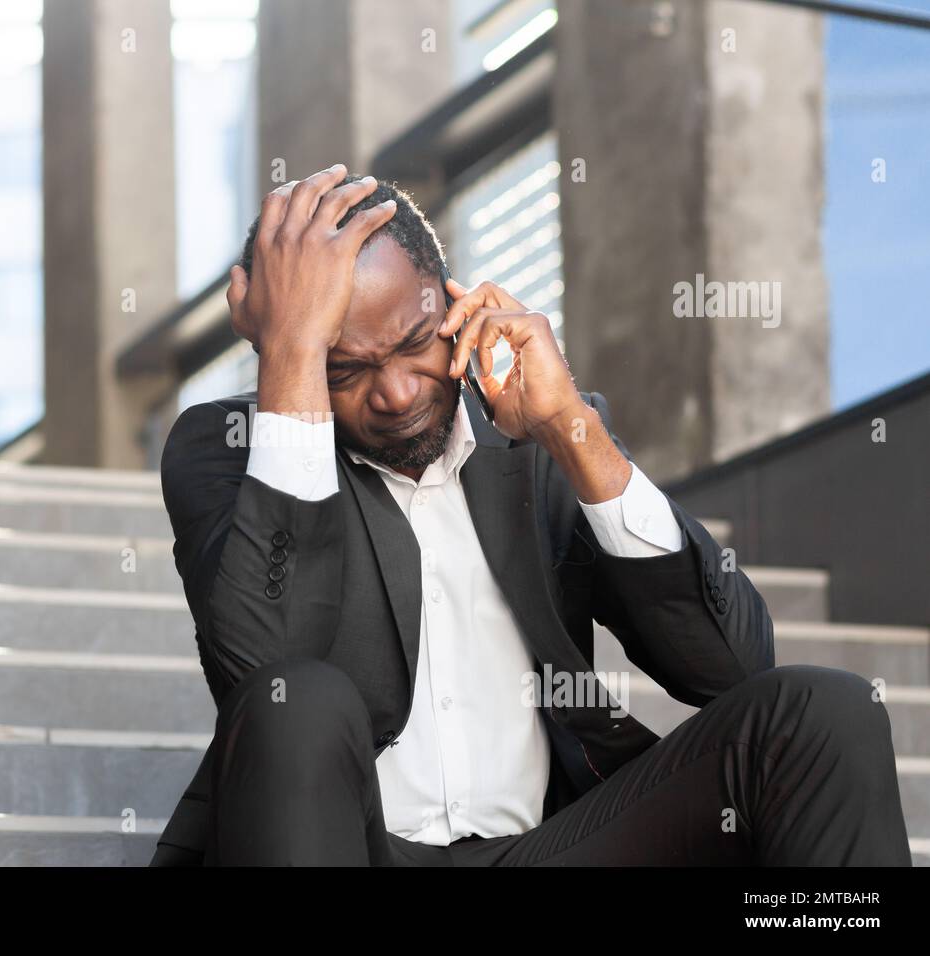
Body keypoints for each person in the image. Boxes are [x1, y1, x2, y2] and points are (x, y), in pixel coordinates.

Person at [149, 164, 911, 866]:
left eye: (414, 344)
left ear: (451, 301)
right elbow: (263, 673)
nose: (397, 394)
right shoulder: (228, 449)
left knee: (823, 710)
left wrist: (570, 428)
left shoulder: (538, 440)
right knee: (300, 702)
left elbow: (732, 667)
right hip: (354, 850)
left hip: (550, 848)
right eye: (343, 367)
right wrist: (291, 359)